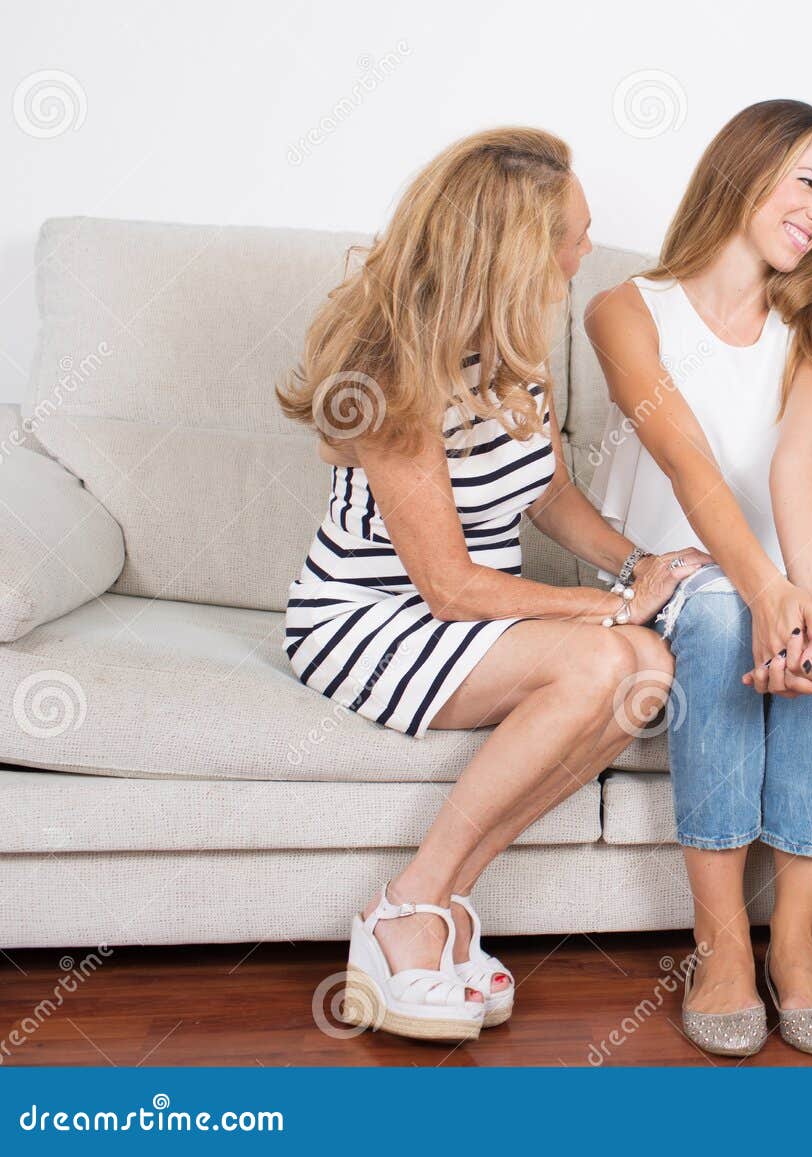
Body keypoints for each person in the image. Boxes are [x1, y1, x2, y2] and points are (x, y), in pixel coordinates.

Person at [277, 127, 708, 1042]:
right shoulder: (393, 369)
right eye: (572, 238)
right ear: (509, 253)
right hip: (367, 617)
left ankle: (445, 902)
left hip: (466, 616)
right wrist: (602, 606)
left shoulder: (514, 343)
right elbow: (447, 588)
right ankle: (405, 909)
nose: (587, 253)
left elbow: (546, 491)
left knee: (644, 669)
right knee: (603, 664)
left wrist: (639, 566)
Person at [585, 99, 812, 1056]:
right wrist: (761, 593)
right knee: (714, 617)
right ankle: (721, 947)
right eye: (806, 180)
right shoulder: (626, 310)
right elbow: (689, 462)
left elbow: (803, 463)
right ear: (744, 167)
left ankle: (795, 943)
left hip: (787, 563)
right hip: (687, 576)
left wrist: (810, 605)